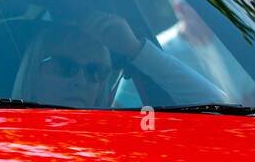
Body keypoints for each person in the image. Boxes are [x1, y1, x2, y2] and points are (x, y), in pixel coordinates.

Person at [13, 14, 224, 108]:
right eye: (65, 67)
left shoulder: (120, 134)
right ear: (32, 74)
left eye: (95, 72)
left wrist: (135, 50)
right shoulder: (1, 138)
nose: (81, 81)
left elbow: (219, 107)